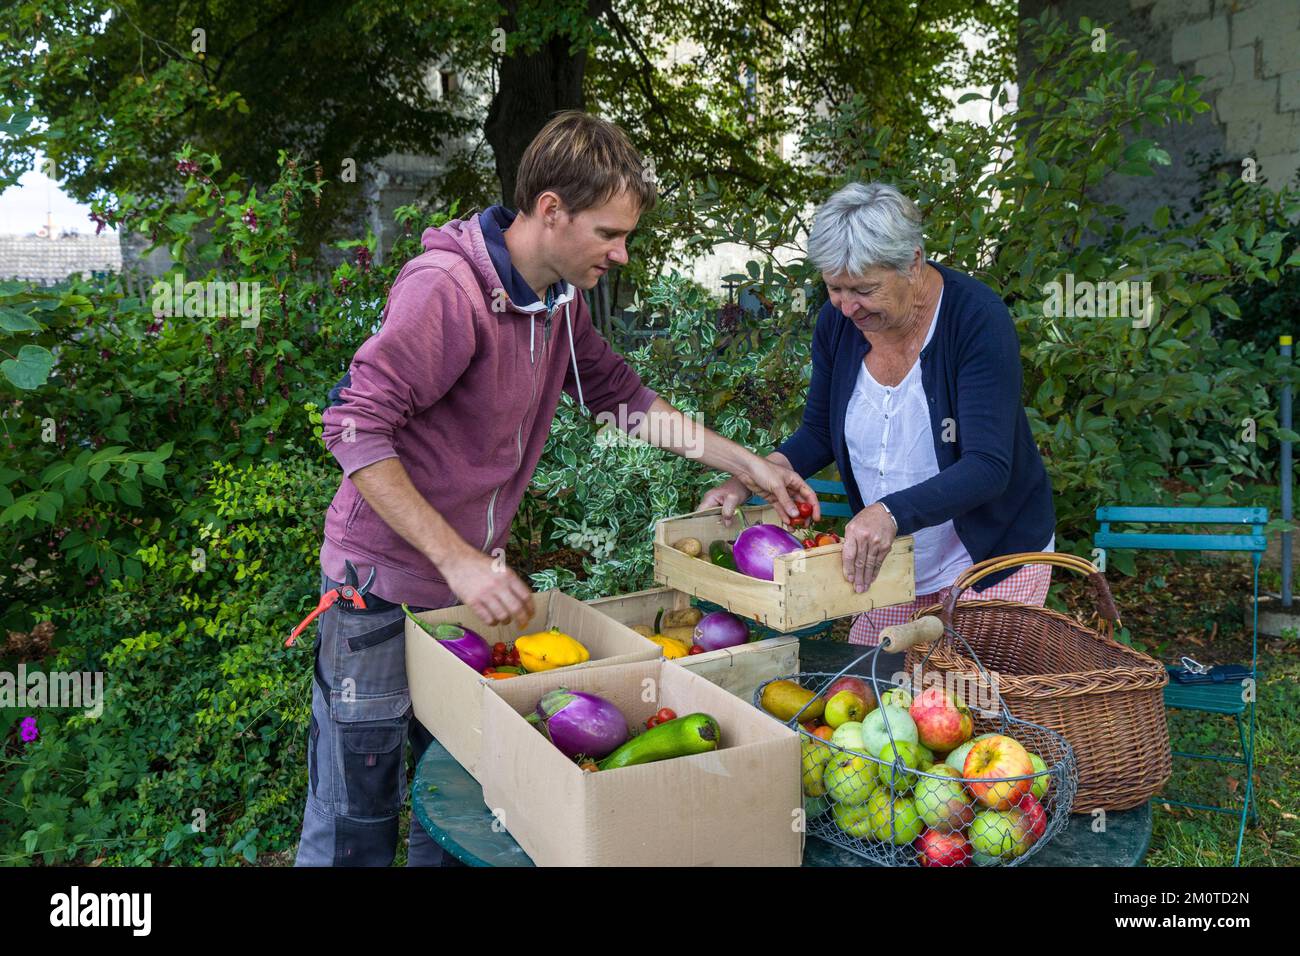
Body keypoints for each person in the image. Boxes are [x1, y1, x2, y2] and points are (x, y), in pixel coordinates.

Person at [295, 111, 818, 866]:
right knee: (355, 822)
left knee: (460, 799)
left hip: (460, 595)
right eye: (608, 233)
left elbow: (627, 402)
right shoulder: (447, 291)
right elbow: (351, 429)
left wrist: (744, 464)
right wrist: (459, 560)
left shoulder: (557, 306)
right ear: (550, 211)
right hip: (378, 591)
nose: (622, 253)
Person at [699, 181, 1056, 645]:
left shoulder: (976, 320)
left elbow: (988, 466)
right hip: (890, 564)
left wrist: (889, 512)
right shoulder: (838, 325)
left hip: (990, 560)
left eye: (864, 289)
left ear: (913, 262)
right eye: (834, 288)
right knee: (877, 698)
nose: (847, 307)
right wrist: (749, 478)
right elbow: (819, 433)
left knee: (962, 702)